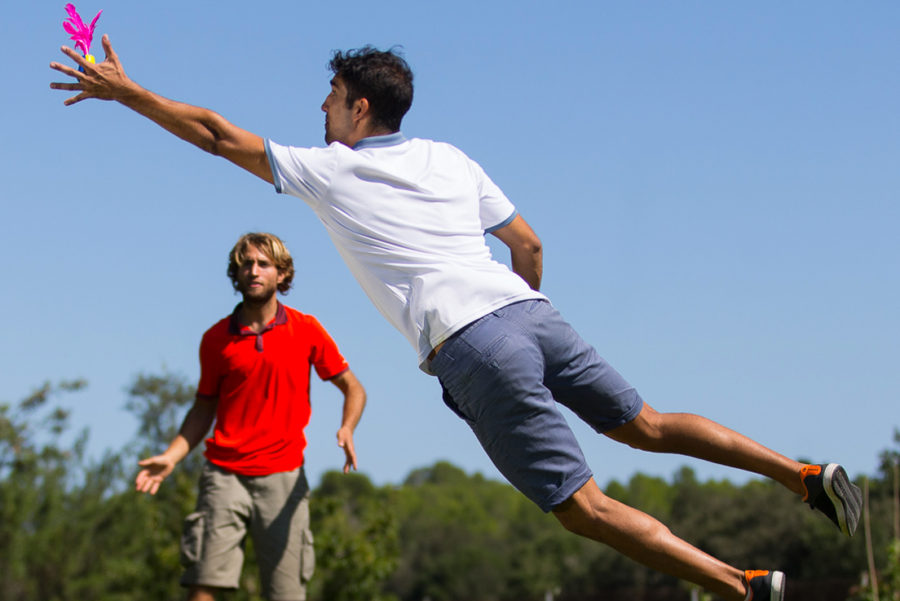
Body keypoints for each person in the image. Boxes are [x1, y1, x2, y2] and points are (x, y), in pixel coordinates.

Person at [52, 37, 861, 601]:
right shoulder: (451, 156)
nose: (321, 107)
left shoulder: (330, 171)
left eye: (331, 97)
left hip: (475, 344)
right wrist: (521, 311)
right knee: (647, 422)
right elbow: (529, 243)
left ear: (359, 108)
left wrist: (129, 94)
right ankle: (803, 474)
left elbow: (214, 133)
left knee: (584, 507)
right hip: (532, 311)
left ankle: (741, 585)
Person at [133, 232, 367, 601]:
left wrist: (347, 427)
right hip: (224, 474)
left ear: (282, 275)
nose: (253, 271)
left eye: (263, 264)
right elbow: (204, 407)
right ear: (236, 273)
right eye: (246, 264)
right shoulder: (215, 340)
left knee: (286, 594)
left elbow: (353, 388)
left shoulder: (305, 329)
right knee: (203, 585)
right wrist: (172, 456)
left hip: (283, 476)